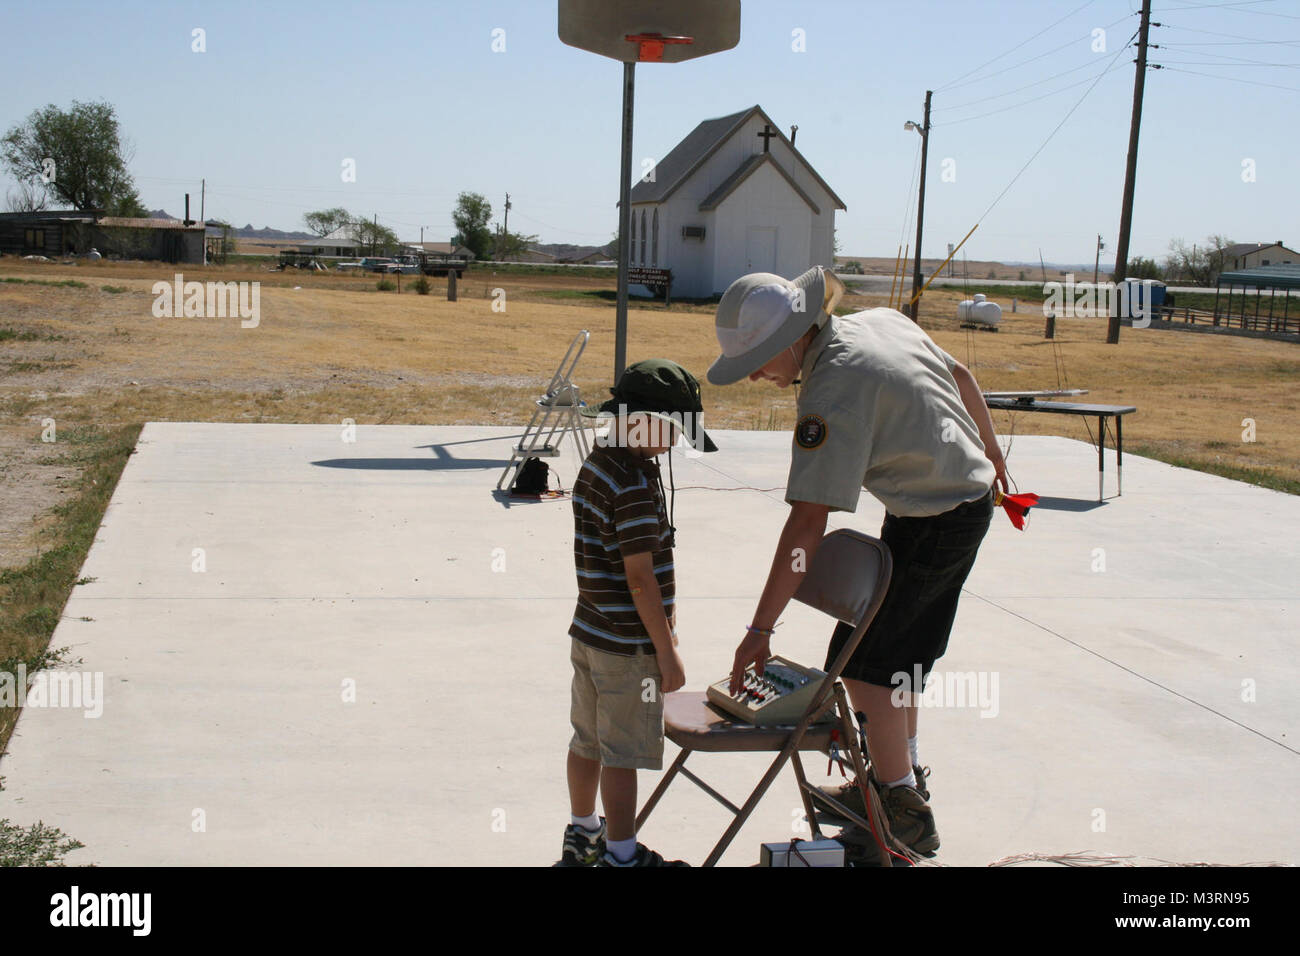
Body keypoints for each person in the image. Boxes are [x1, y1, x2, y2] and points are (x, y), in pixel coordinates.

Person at [707, 266, 1006, 857]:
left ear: (794, 338)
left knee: (868, 669)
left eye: (762, 359)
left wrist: (759, 632)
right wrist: (994, 459)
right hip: (949, 502)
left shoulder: (831, 394)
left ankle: (901, 813)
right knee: (894, 656)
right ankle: (902, 780)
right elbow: (963, 376)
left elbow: (806, 525)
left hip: (939, 517)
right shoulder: (880, 323)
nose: (760, 376)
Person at [556, 359, 718, 867]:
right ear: (638, 420)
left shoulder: (599, 463)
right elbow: (640, 578)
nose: (674, 443)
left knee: (587, 740)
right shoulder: (630, 485)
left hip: (589, 633)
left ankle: (583, 834)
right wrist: (666, 652)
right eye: (671, 430)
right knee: (621, 754)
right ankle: (621, 856)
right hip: (628, 645)